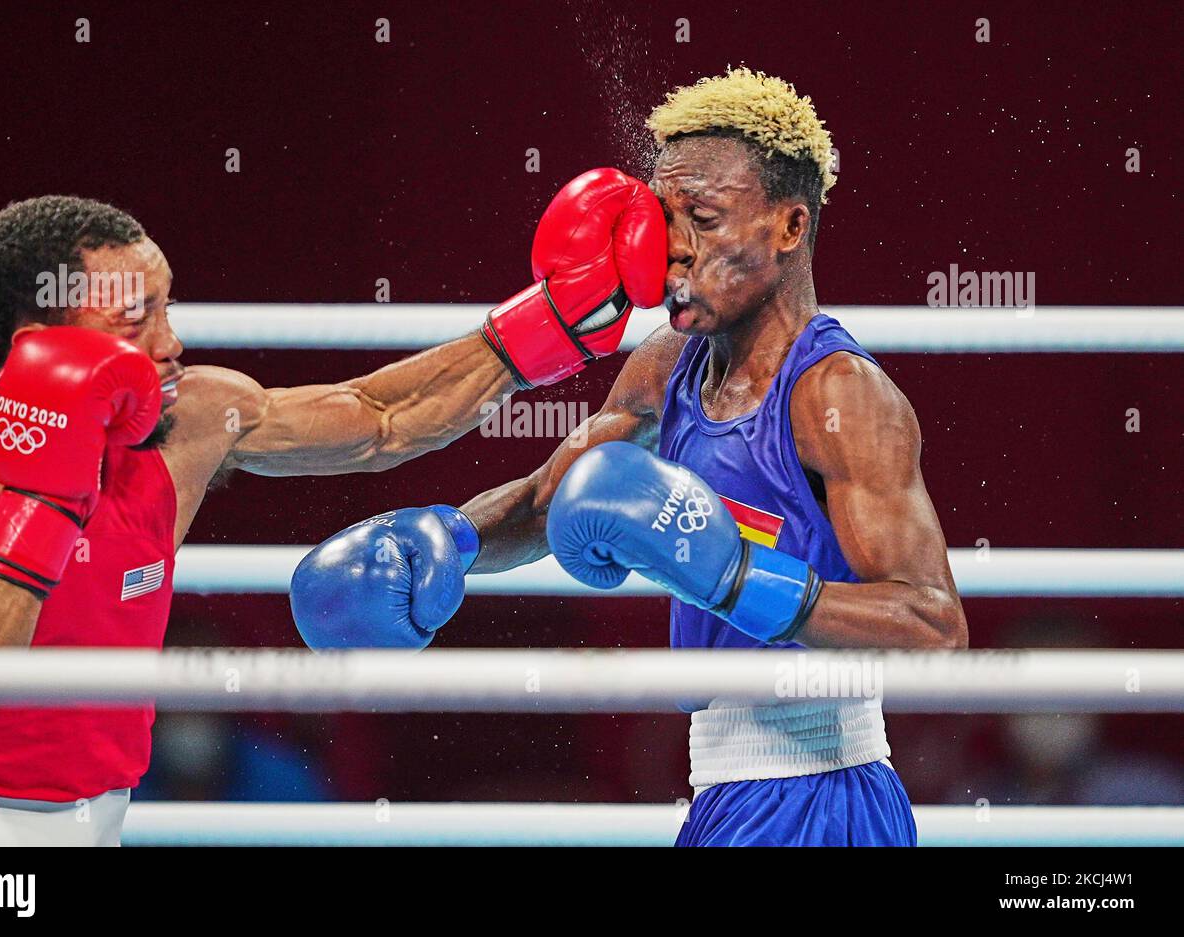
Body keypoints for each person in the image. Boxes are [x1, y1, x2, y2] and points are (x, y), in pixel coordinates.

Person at [0, 170, 665, 845]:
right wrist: (44, 497)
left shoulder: (184, 424)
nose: (170, 342)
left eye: (167, 308)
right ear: (41, 345)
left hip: (94, 818)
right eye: (135, 321)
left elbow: (377, 417)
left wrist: (551, 323)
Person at [293, 69, 968, 846]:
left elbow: (933, 626)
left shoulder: (838, 394)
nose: (674, 249)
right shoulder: (668, 360)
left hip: (825, 793)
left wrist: (740, 576)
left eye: (706, 220)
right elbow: (556, 499)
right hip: (727, 791)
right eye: (664, 217)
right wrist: (448, 541)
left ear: (789, 227)